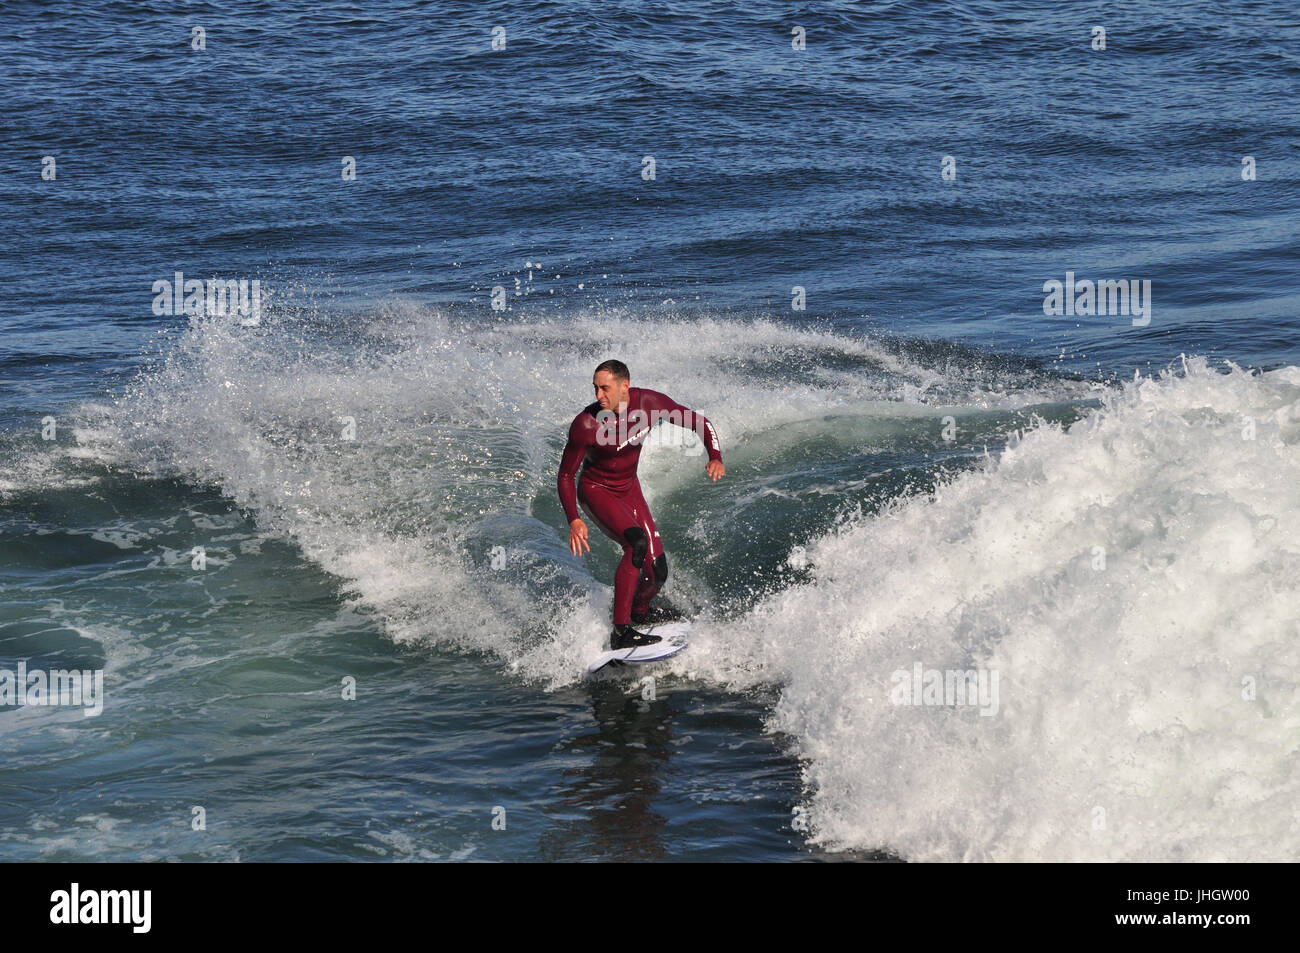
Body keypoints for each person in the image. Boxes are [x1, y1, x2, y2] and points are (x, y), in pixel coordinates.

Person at [558, 359, 725, 649]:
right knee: (635, 544)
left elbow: (700, 423)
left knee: (658, 569)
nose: (599, 395)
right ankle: (621, 631)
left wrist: (715, 456)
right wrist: (574, 518)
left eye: (605, 388)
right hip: (597, 490)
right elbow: (566, 475)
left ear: (625, 386)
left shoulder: (649, 403)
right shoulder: (586, 424)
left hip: (629, 489)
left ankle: (641, 611)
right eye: (596, 388)